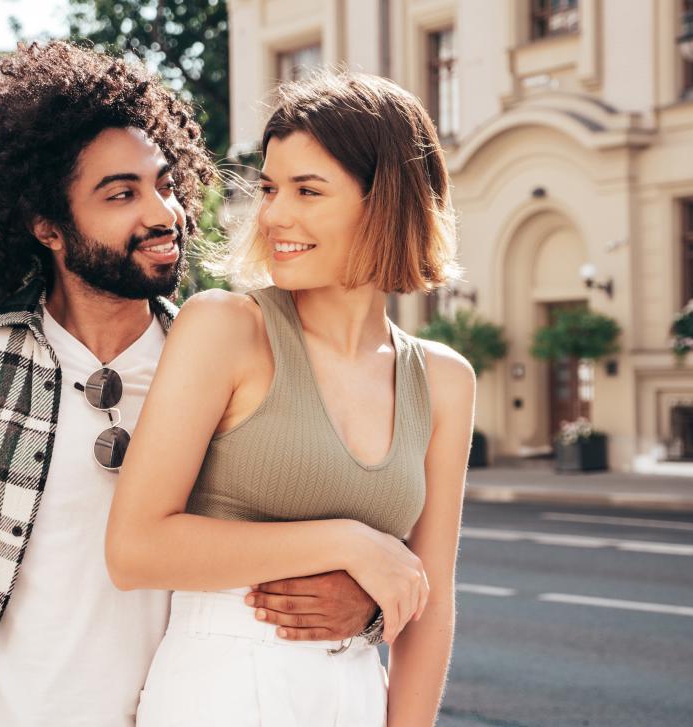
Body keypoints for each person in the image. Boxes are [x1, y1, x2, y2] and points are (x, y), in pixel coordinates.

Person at [0, 42, 379, 727]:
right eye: (121, 193)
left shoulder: (225, 363)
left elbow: (301, 530)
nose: (164, 213)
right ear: (48, 227)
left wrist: (370, 603)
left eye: (165, 183)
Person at [107, 71, 476, 727]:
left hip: (357, 692)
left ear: (386, 202)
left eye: (309, 190)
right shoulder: (227, 328)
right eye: (271, 188)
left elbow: (431, 603)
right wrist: (350, 543)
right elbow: (135, 547)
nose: (274, 214)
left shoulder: (444, 380)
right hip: (220, 687)